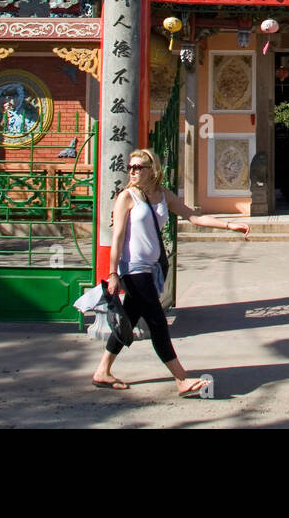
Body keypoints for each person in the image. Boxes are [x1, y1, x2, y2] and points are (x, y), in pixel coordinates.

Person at [92, 148, 250, 393]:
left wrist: (229, 225)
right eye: (130, 167)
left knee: (130, 318)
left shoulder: (163, 194)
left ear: (152, 170)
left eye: (138, 167)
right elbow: (118, 237)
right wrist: (113, 273)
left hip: (152, 268)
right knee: (157, 322)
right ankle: (181, 379)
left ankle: (103, 370)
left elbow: (193, 217)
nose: (132, 171)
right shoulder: (126, 197)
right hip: (133, 269)